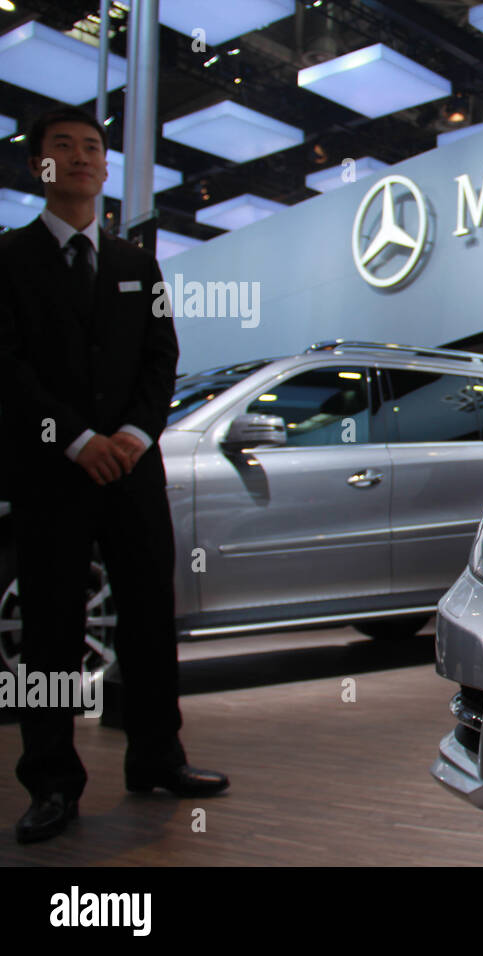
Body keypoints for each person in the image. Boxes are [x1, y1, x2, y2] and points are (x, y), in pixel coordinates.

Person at [0, 107, 228, 844]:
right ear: (37, 165)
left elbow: (162, 356)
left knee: (149, 620)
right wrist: (74, 440)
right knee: (51, 634)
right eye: (61, 147)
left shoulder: (137, 263)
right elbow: (6, 367)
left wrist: (130, 436)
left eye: (92, 148)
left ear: (106, 166)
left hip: (132, 472)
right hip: (50, 474)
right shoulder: (7, 258)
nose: (80, 158)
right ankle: (52, 781)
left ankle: (158, 756)